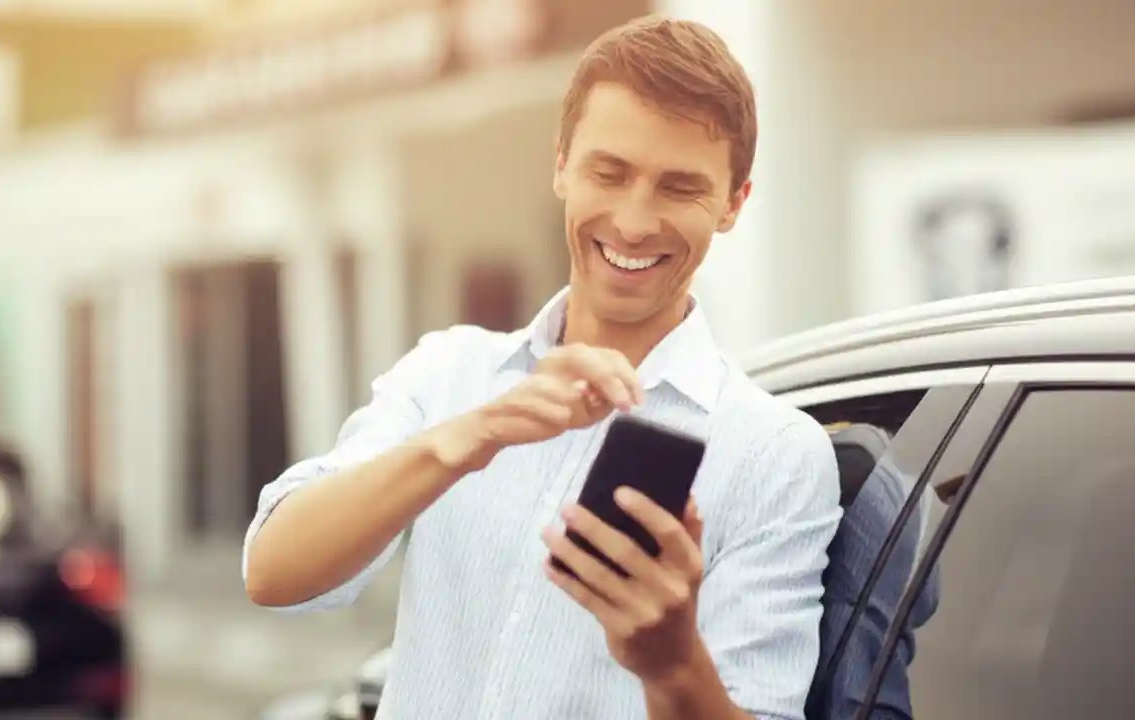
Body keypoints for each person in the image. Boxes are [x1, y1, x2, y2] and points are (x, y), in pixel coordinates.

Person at [242, 15, 842, 720]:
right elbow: (273, 573)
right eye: (609, 173)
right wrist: (469, 437)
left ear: (735, 204)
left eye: (679, 188)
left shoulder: (773, 454)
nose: (634, 221)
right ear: (560, 164)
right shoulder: (451, 374)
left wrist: (674, 663)